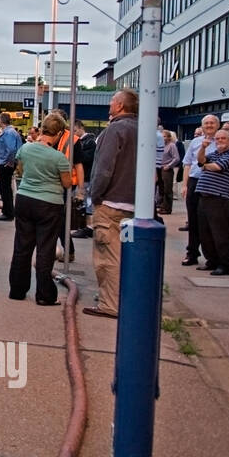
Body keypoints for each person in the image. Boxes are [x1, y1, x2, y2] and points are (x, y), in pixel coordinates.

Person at [83, 89, 139, 318]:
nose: (109, 106)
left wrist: (94, 195)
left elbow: (104, 169)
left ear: (119, 106)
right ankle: (125, 297)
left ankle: (110, 304)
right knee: (127, 255)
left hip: (111, 205)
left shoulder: (114, 130)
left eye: (111, 102)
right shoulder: (142, 130)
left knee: (107, 258)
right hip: (135, 207)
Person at [8, 112, 73, 305]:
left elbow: (19, 169)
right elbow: (67, 183)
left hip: (24, 199)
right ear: (59, 133)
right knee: (45, 249)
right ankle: (44, 295)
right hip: (49, 204)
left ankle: (17, 290)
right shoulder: (59, 158)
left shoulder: (25, 149)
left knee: (22, 246)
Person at [194, 129, 229, 275]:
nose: (220, 141)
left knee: (220, 233)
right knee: (204, 233)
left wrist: (204, 166)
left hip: (219, 198)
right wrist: (203, 147)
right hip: (204, 197)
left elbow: (217, 167)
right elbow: (200, 160)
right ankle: (212, 260)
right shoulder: (214, 154)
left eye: (223, 138)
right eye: (217, 139)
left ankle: (225, 264)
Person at [179, 114, 220, 264]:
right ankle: (192, 253)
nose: (209, 125)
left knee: (210, 220)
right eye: (206, 123)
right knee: (193, 219)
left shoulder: (222, 141)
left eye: (212, 123)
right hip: (195, 181)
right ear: (202, 126)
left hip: (214, 182)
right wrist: (184, 185)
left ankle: (213, 256)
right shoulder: (195, 142)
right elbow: (187, 164)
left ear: (218, 125)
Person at [0, 113, 23, 222]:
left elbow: (11, 149)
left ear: (1, 120)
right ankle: (8, 211)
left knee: (4, 189)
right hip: (7, 162)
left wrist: (9, 161)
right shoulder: (12, 132)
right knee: (6, 188)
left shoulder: (8, 133)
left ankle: (8, 212)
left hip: (5, 163)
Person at [157, 130, 180, 215]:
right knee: (161, 189)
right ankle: (162, 206)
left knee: (167, 189)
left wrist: (169, 166)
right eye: (161, 136)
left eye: (164, 136)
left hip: (167, 169)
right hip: (159, 168)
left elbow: (176, 158)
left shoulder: (172, 146)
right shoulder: (160, 146)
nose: (163, 138)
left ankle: (168, 208)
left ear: (169, 137)